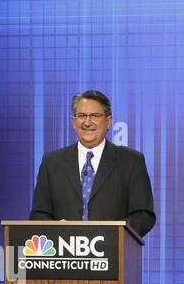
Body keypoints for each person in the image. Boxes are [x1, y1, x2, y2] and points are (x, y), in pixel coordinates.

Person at [29, 90, 155, 236]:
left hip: (112, 252)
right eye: (82, 116)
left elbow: (143, 215)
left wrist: (113, 234)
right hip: (64, 253)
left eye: (95, 116)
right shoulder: (51, 162)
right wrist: (56, 230)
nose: (87, 122)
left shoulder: (131, 161)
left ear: (108, 121)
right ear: (73, 122)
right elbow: (39, 214)